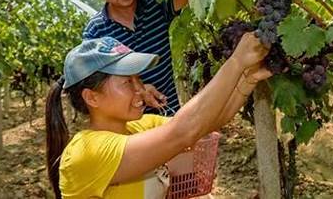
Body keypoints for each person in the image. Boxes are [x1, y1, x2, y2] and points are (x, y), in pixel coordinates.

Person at [45, 34, 271, 199]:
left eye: (138, 79)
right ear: (92, 98)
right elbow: (183, 132)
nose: (140, 89)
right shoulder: (86, 153)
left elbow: (208, 121)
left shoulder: (139, 127)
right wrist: (236, 62)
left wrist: (247, 80)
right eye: (127, 82)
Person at [80, 0, 188, 116]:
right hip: (130, 129)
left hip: (171, 116)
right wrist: (138, 89)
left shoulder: (156, 5)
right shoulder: (95, 32)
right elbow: (96, 83)